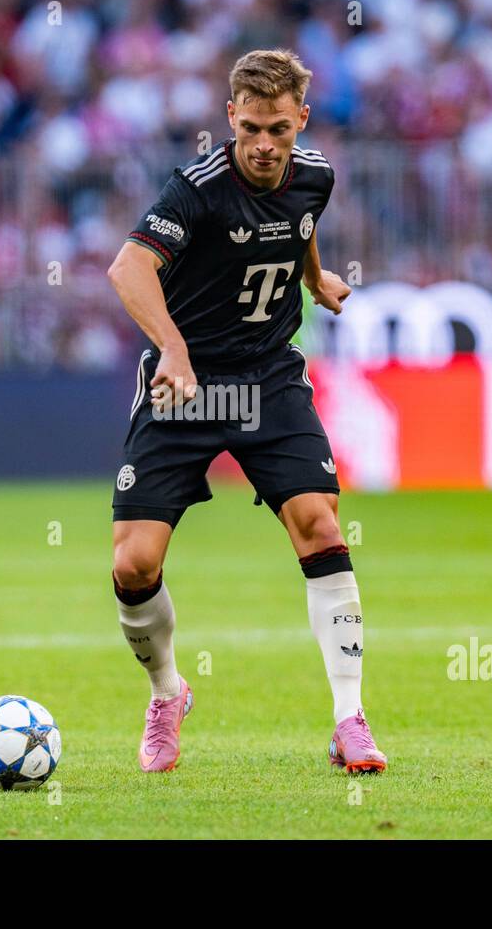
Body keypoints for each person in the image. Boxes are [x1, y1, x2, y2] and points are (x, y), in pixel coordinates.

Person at [106, 49, 386, 774]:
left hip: (268, 377)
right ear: (231, 117)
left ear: (302, 120)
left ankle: (350, 719)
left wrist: (314, 274)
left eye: (280, 132)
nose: (265, 146)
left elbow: (298, 222)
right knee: (134, 564)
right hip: (186, 383)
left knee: (320, 522)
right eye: (253, 128)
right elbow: (127, 267)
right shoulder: (194, 189)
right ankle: (168, 692)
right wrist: (171, 348)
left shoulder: (316, 175)